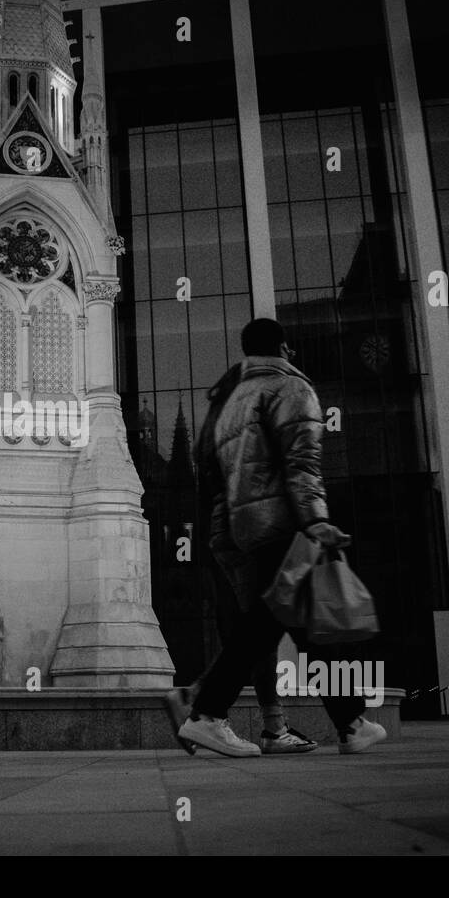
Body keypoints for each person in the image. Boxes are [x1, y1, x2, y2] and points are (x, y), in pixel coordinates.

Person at [166, 318, 386, 757]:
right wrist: (315, 520)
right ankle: (205, 712)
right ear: (285, 347)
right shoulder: (290, 387)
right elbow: (302, 464)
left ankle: (350, 723)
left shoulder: (230, 397)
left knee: (296, 624)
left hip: (238, 530)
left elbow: (209, 468)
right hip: (280, 527)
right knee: (269, 625)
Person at [164, 360, 317, 756]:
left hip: (225, 535)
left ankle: (268, 723)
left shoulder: (219, 417)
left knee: (260, 625)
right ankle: (211, 706)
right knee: (266, 622)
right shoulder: (248, 414)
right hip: (251, 531)